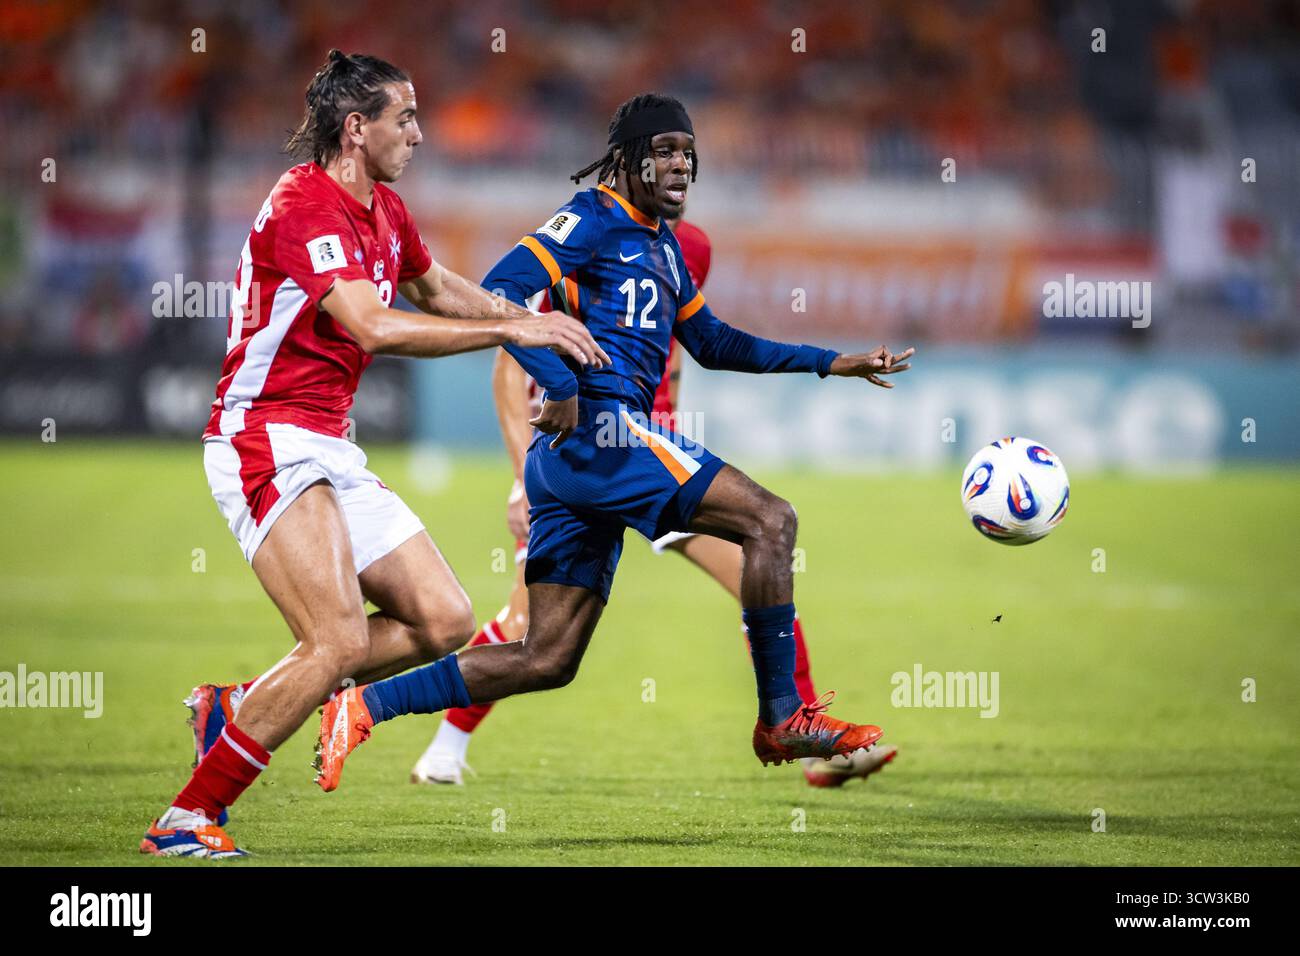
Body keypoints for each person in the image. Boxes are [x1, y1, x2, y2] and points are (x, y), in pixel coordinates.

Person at [313, 92, 913, 795]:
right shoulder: (594, 218)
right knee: (771, 520)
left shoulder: (663, 244)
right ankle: (784, 717)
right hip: (604, 430)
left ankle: (361, 704)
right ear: (627, 160)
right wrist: (559, 382)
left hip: (580, 460)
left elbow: (714, 342)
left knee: (547, 656)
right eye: (664, 150)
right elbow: (503, 290)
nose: (680, 164)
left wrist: (830, 361)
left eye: (687, 152)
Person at [138, 50, 608, 859]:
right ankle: (185, 819)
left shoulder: (386, 210)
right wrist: (511, 328)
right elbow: (372, 326)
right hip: (266, 437)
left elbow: (432, 290)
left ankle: (243, 705)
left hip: (327, 442)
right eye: (406, 118)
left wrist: (527, 320)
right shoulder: (304, 205)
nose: (420, 134)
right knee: (338, 643)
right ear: (356, 129)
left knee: (446, 619)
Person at [412, 208, 896, 789]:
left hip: (651, 457)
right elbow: (506, 368)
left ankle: (805, 734)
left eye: (683, 157)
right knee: (532, 629)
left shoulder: (684, 251)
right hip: (588, 456)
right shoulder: (587, 249)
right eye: (663, 154)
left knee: (760, 568)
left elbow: (685, 351)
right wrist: (520, 479)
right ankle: (443, 749)